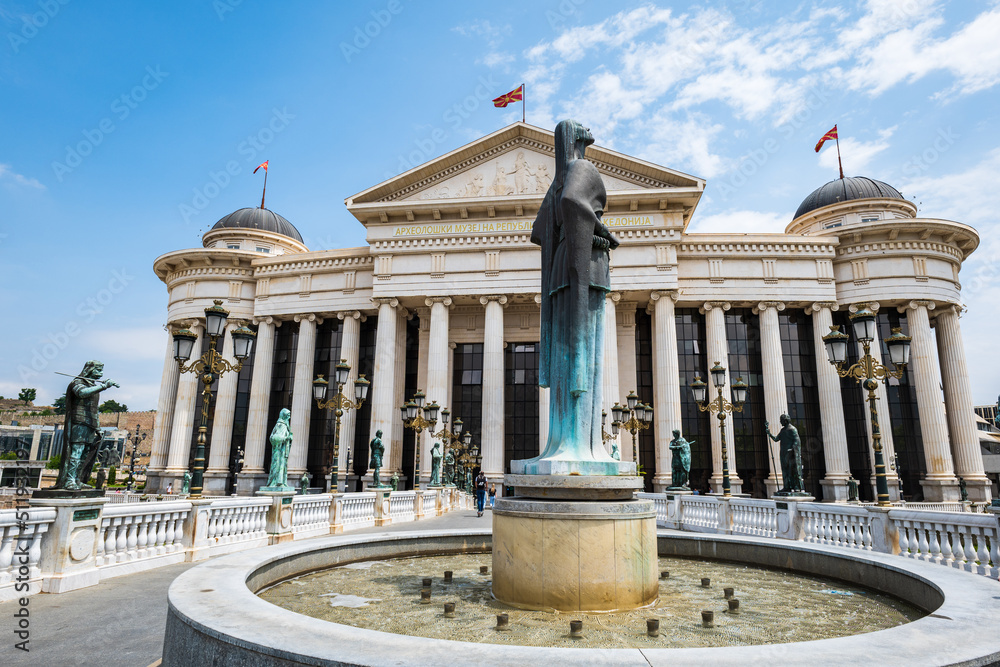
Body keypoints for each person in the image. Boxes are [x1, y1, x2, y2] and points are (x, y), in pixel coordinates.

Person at [526, 119, 620, 471]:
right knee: (585, 350)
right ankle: (584, 445)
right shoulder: (581, 168)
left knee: (568, 352)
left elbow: (540, 230)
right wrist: (602, 230)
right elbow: (574, 201)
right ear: (579, 137)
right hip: (585, 266)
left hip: (561, 270)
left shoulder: (557, 181)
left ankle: (565, 441)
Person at [765, 414, 804, 494]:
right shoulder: (783, 430)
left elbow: (797, 441)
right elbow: (776, 439)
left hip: (791, 454)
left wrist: (793, 450)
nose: (780, 422)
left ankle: (796, 487)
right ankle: (787, 486)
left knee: (793, 470)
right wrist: (769, 434)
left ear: (785, 421)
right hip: (783, 453)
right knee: (785, 470)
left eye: (781, 420)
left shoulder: (792, 429)